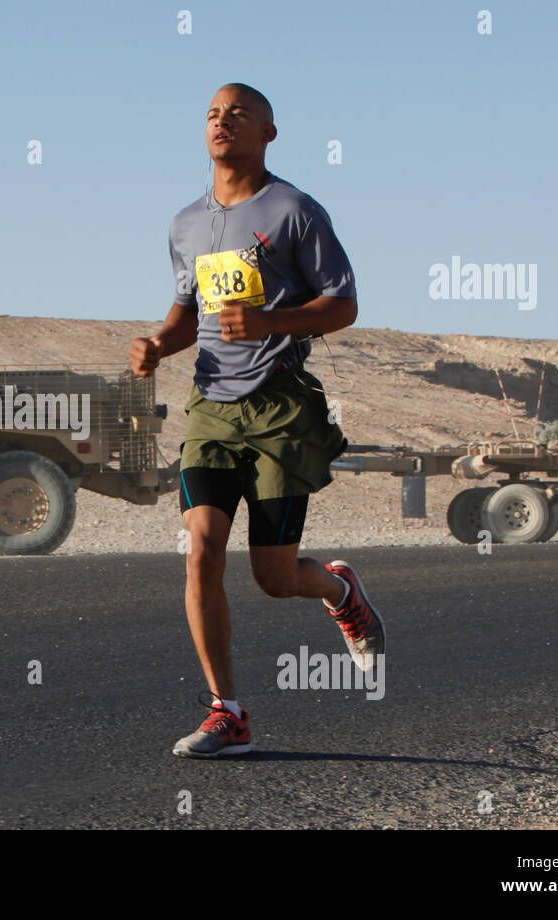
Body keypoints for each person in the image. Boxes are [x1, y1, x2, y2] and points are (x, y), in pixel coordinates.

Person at [129, 83, 385, 759]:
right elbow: (189, 312)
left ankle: (339, 589)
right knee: (201, 552)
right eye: (213, 113)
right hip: (211, 407)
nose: (223, 122)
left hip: (279, 408)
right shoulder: (186, 223)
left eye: (239, 113)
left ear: (269, 133)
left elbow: (343, 303)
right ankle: (227, 712)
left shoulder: (294, 210)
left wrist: (272, 321)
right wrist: (159, 342)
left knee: (272, 577)